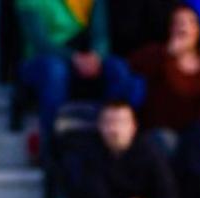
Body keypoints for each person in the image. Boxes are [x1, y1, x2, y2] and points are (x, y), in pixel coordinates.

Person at [16, 0, 141, 158]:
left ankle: (117, 133)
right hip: (43, 61)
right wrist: (74, 58)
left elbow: (101, 35)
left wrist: (96, 55)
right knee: (55, 71)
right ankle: (50, 143)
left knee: (119, 69)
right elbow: (40, 42)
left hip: (85, 58)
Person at [128, 5, 200, 134]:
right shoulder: (156, 53)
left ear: (198, 30)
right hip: (163, 132)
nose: (184, 26)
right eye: (178, 22)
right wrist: (168, 54)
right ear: (170, 28)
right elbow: (133, 65)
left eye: (190, 22)